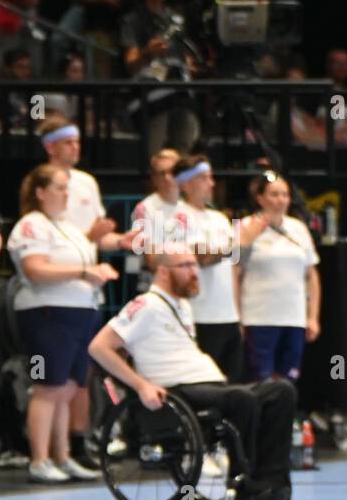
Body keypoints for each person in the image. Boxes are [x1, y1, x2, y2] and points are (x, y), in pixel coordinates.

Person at [89, 249, 297, 500]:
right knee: (240, 399)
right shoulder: (146, 305)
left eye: (195, 265)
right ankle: (244, 484)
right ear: (163, 271)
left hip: (210, 385)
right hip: (178, 390)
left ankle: (272, 482)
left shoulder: (183, 306)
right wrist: (141, 385)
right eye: (185, 265)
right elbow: (98, 347)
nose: (194, 271)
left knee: (281, 390)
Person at [7, 163, 134, 483]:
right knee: (47, 387)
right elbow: (35, 269)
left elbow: (89, 254)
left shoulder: (66, 226)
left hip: (79, 312)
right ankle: (39, 459)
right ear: (40, 192)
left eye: (68, 188)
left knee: (67, 388)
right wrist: (82, 273)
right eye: (60, 188)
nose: (67, 194)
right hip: (46, 314)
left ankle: (62, 456)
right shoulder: (31, 225)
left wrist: (111, 247)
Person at [235, 171, 320, 383]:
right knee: (261, 381)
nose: (280, 199)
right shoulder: (244, 226)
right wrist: (238, 317)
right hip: (259, 317)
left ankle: (286, 417)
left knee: (288, 380)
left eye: (285, 194)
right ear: (260, 198)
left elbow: (311, 275)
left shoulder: (298, 228)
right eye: (274, 194)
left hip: (293, 317)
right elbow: (235, 274)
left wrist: (312, 317)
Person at [170, 155, 242, 382]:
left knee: (230, 382)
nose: (211, 183)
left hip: (227, 316)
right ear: (185, 184)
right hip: (199, 315)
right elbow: (201, 259)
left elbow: (233, 266)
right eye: (203, 178)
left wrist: (238, 314)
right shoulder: (177, 217)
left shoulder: (220, 218)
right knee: (204, 382)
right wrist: (236, 245)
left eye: (211, 177)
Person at [119, 0, 199, 154]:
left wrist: (194, 67)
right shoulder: (132, 20)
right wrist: (148, 52)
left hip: (181, 94)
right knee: (155, 152)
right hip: (153, 99)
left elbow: (186, 59)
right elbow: (131, 64)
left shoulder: (176, 19)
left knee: (186, 145)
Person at [131, 147, 181, 270]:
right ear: (154, 179)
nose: (168, 178)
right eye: (162, 173)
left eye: (172, 172)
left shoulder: (191, 204)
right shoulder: (144, 209)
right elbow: (152, 260)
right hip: (157, 280)